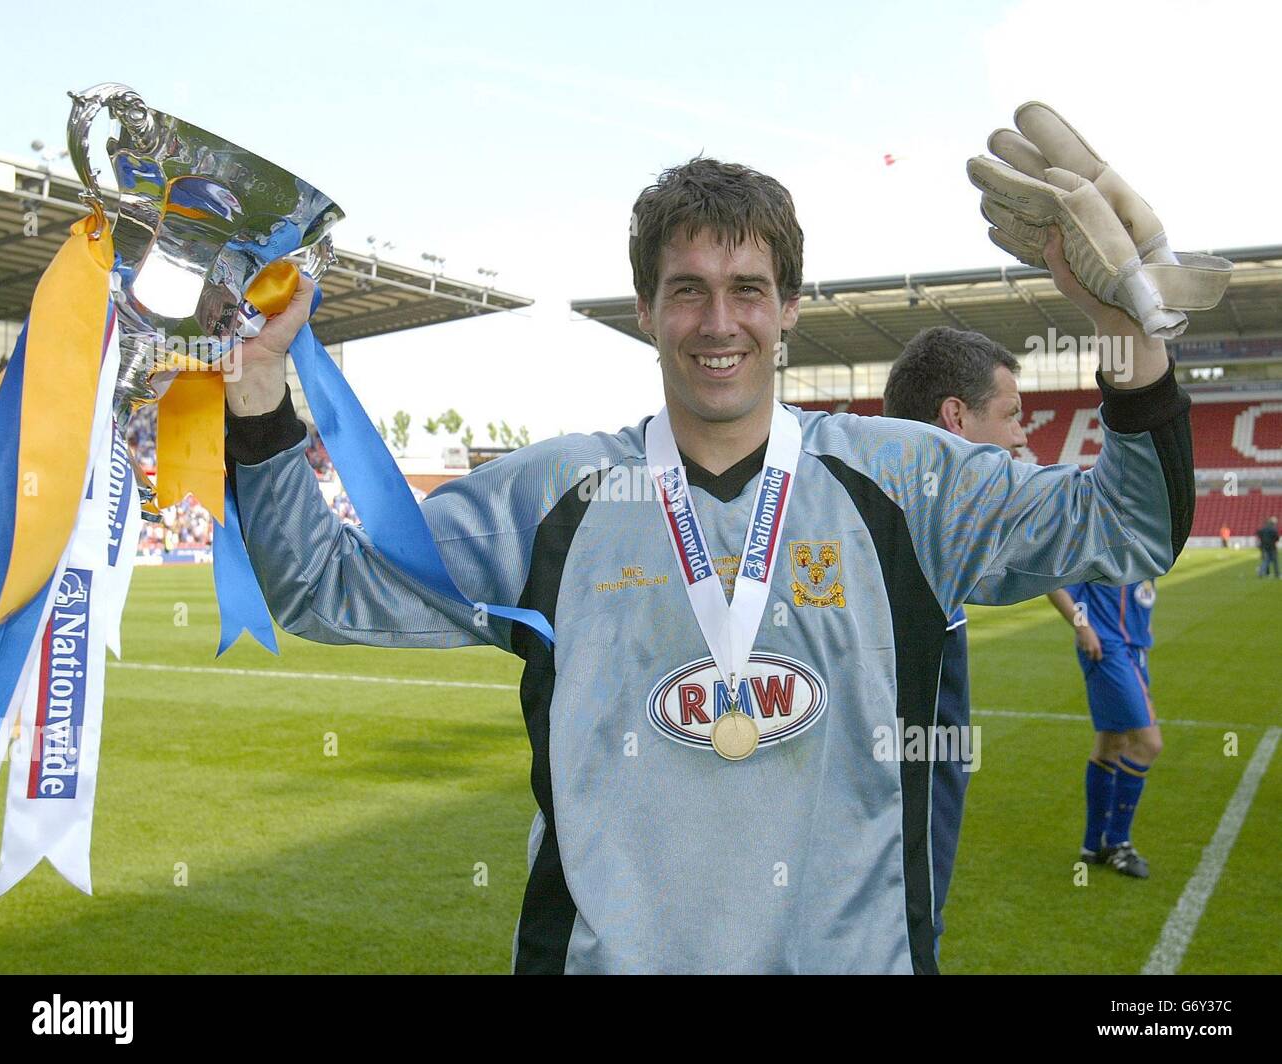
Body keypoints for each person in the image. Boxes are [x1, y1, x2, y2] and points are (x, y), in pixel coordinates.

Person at [222, 157, 1193, 974]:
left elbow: (1128, 530)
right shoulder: (555, 493)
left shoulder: (908, 481)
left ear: (790, 309)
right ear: (646, 308)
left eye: (747, 290)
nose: (717, 320)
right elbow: (325, 587)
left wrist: (1127, 334)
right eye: (687, 289)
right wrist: (261, 388)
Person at [881, 327, 1027, 950]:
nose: (1022, 435)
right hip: (889, 916)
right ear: (956, 418)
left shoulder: (859, 520)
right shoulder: (920, 557)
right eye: (1011, 415)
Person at [1047, 581, 1160, 878]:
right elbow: (1053, 582)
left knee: (1112, 743)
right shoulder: (1098, 535)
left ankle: (1093, 843)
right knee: (1148, 744)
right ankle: (1118, 842)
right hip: (1108, 646)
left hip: (1133, 647)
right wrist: (1083, 627)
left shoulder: (1141, 539)